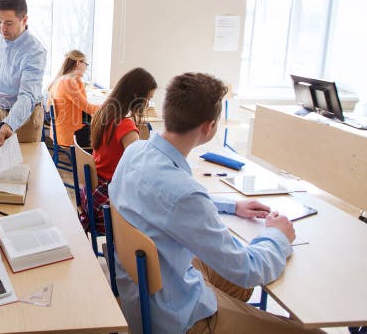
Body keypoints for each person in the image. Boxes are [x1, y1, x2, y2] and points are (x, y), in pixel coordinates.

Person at [109, 72, 317, 333]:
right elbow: (247, 269)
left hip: (143, 298)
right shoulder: (184, 194)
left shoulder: (135, 152)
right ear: (209, 127)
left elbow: (168, 200)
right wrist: (278, 236)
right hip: (178, 318)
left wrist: (232, 206)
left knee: (239, 286)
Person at [80, 68, 156, 233]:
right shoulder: (125, 124)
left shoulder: (104, 112)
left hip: (91, 194)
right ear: (137, 96)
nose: (148, 104)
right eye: (148, 99)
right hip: (105, 204)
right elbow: (139, 165)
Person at [0, 0, 47, 146]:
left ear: (24, 20)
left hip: (26, 115)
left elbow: (28, 95)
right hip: (1, 108)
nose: (2, 28)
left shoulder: (35, 52)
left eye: (8, 23)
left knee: (26, 163)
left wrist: (10, 124)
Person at [48, 50, 100, 148]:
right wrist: (107, 108)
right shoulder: (69, 83)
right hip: (71, 135)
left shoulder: (62, 79)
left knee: (100, 128)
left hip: (61, 133)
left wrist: (79, 79)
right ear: (78, 63)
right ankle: (93, 161)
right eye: (86, 64)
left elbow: (84, 105)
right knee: (106, 134)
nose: (86, 67)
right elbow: (88, 108)